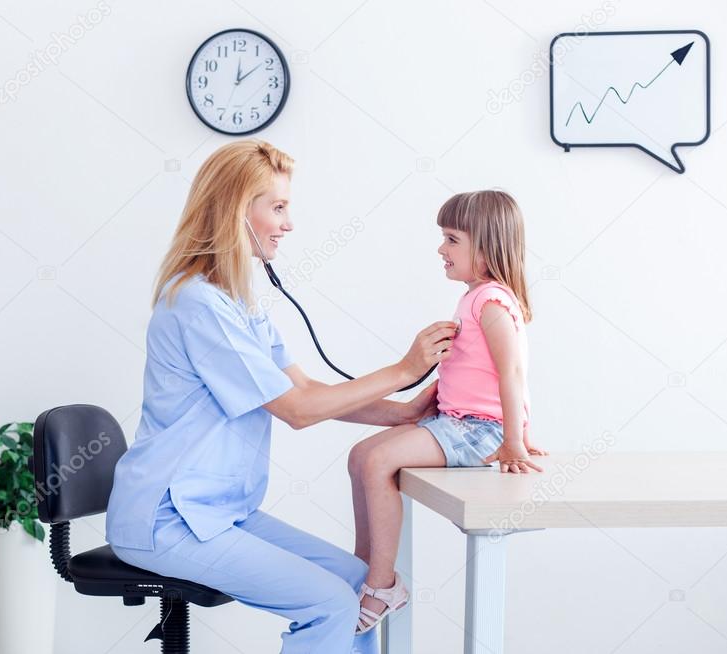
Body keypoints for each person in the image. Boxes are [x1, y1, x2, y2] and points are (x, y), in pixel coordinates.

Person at [105, 139, 457, 653]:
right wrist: (404, 369)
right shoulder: (197, 304)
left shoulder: (238, 301)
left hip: (218, 512)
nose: (288, 223)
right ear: (234, 210)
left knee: (357, 585)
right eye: (278, 206)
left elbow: (307, 389)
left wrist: (402, 413)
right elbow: (297, 411)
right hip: (165, 520)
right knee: (328, 603)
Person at [347, 190, 547, 634]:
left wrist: (513, 438)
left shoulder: (490, 301)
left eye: (452, 239)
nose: (441, 248)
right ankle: (364, 567)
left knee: (379, 460)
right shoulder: (475, 298)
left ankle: (383, 585)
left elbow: (511, 373)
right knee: (360, 456)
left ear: (487, 245)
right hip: (460, 423)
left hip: (479, 430)